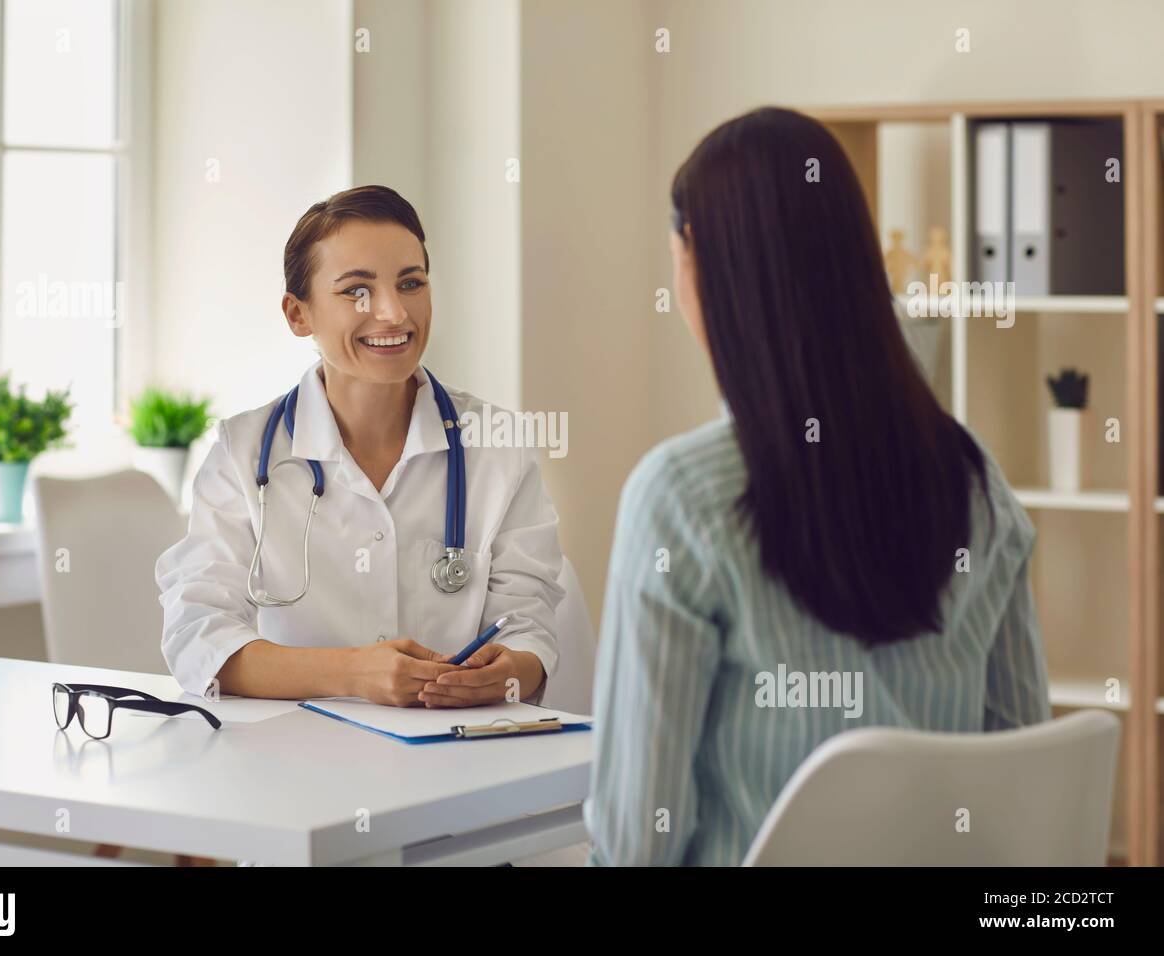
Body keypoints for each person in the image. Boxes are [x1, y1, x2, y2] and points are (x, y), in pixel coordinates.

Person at [585, 108, 1050, 866]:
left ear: (698, 264)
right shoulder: (975, 481)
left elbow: (638, 842)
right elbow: (1024, 773)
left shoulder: (678, 501)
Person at [156, 186, 564, 708]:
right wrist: (352, 673)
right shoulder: (242, 453)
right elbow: (198, 638)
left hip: (455, 758)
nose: (394, 313)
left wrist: (509, 672)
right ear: (298, 315)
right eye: (357, 291)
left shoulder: (497, 446)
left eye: (411, 283)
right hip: (295, 763)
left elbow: (529, 627)